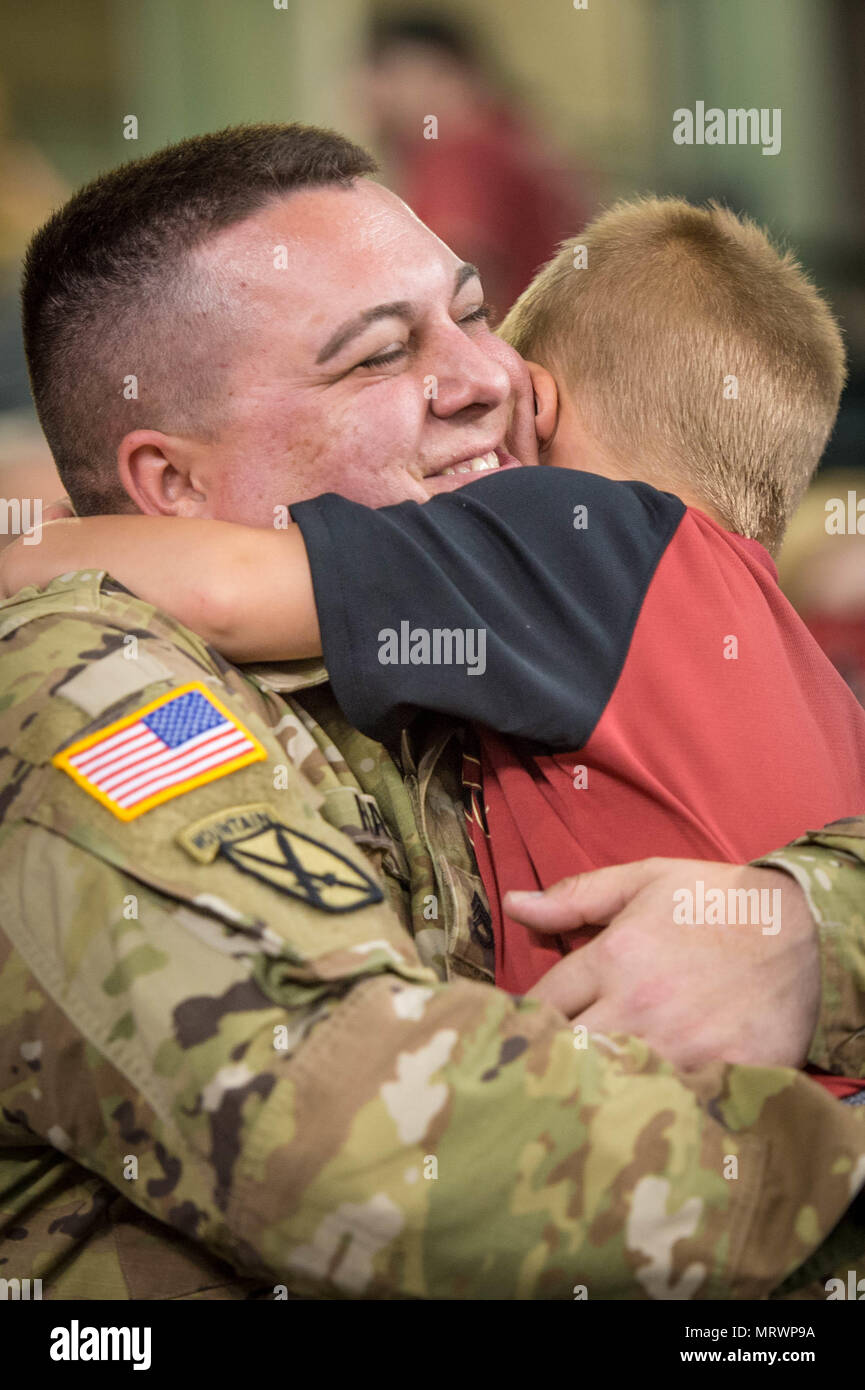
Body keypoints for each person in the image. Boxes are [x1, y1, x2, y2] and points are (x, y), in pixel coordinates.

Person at [1, 124, 864, 1300]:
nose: (492, 378)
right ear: (173, 489)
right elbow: (381, 1157)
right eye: (376, 357)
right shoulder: (87, 676)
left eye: (474, 312)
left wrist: (798, 926)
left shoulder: (480, 637)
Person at [359, 13, 589, 318]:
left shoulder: (460, 154)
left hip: (511, 348)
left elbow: (449, 279)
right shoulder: (511, 135)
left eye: (386, 77)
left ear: (440, 75)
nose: (374, 96)